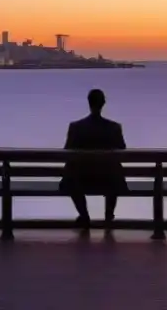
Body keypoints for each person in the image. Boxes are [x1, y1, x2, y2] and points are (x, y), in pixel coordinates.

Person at [59, 88, 128, 228]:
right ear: (103, 103)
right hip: (108, 179)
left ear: (89, 103)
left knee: (70, 179)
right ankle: (109, 216)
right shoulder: (114, 128)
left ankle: (84, 215)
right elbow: (122, 149)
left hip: (81, 179)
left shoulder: (76, 127)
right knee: (114, 173)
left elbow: (67, 151)